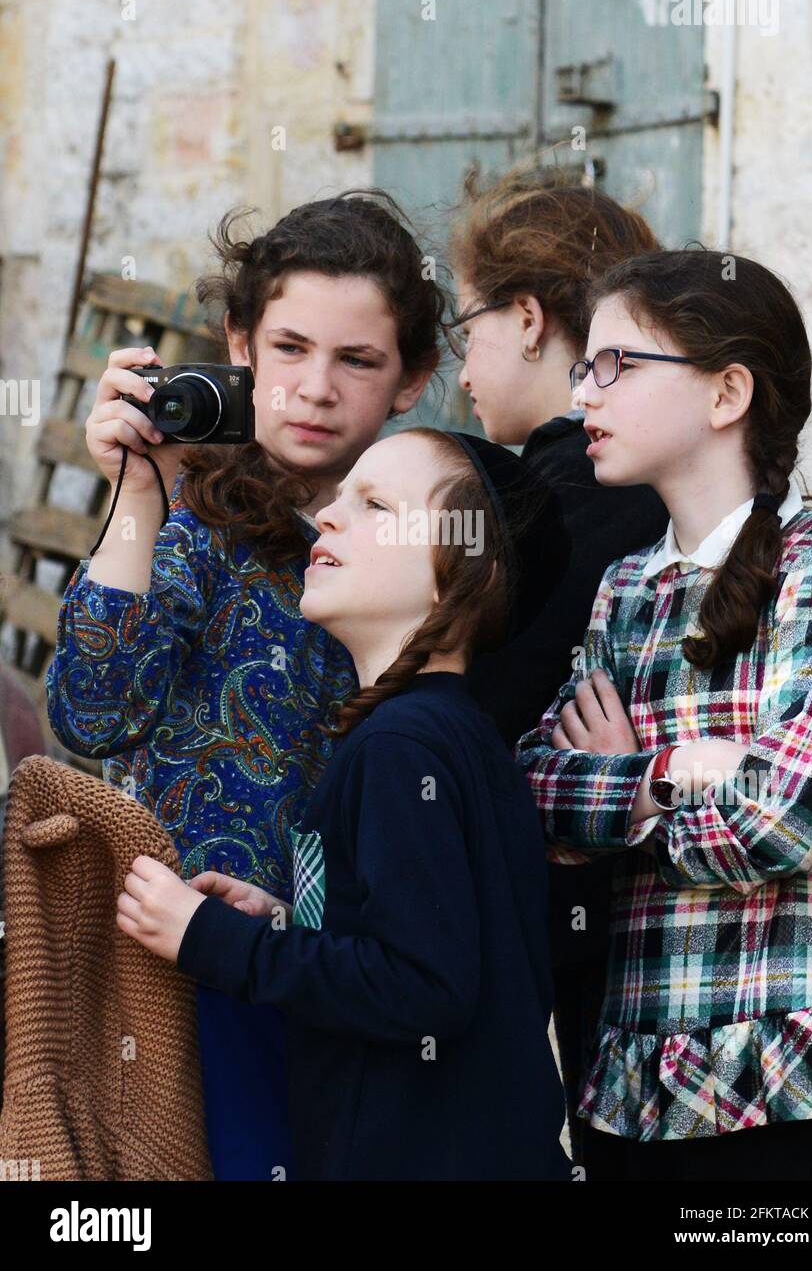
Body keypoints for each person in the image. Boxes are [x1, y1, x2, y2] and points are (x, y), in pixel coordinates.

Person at [46, 190, 445, 1180]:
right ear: (238, 344)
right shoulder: (200, 539)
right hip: (186, 981)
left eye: (356, 360)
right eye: (289, 349)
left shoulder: (431, 549)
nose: (314, 388)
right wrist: (141, 492)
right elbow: (91, 713)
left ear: (412, 379)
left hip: (353, 984)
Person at [116, 426, 572, 1181]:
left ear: (456, 576)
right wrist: (286, 920)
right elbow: (424, 938)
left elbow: (424, 987)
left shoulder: (403, 748)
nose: (327, 514)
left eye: (374, 505)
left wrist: (212, 940)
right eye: (341, 497)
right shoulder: (442, 735)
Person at [516, 247, 812, 1181]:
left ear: (725, 394)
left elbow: (788, 819)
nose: (585, 390)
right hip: (639, 1087)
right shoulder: (625, 588)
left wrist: (620, 803)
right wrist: (671, 773)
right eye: (584, 365)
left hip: (796, 1086)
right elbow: (533, 787)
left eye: (618, 364)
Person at [446, 164, 669, 1148]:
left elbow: (476, 719)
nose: (460, 372)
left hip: (624, 950)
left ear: (528, 318)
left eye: (467, 331)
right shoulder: (650, 478)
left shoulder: (555, 499)